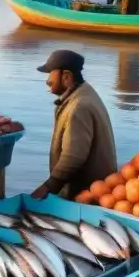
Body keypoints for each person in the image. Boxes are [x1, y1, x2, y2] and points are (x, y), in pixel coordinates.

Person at [31, 49, 118, 200]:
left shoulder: (79, 107)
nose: (47, 80)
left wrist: (49, 186)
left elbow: (74, 156)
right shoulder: (83, 93)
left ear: (66, 77)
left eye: (50, 73)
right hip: (94, 191)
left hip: (88, 195)